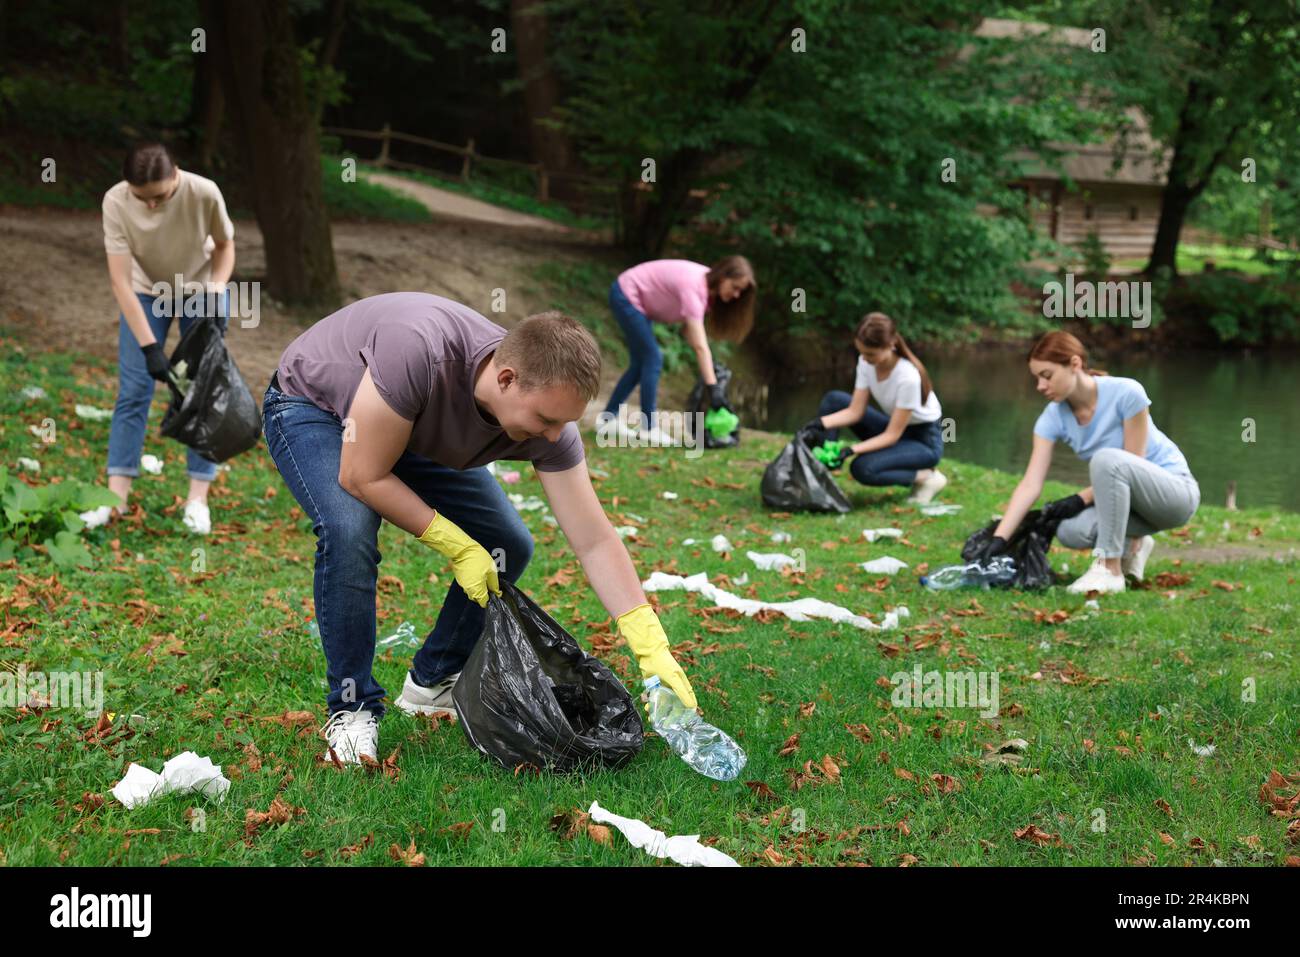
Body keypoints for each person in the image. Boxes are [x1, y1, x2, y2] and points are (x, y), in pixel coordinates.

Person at [263, 292, 698, 763]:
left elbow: (593, 539)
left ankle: (431, 682)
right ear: (506, 379)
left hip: (408, 427)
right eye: (546, 420)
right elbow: (361, 474)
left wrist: (649, 644)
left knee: (507, 542)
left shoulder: (548, 424)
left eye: (565, 423)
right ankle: (351, 708)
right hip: (317, 409)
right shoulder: (419, 351)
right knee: (349, 530)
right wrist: (454, 544)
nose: (555, 437)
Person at [972, 331, 1199, 595]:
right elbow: (1030, 484)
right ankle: (1131, 546)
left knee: (1107, 459)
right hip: (1130, 505)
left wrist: (1079, 498)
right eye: (1036, 378)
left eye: (1047, 375)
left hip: (1174, 495)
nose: (1040, 386)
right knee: (1070, 530)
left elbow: (1131, 461)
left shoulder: (1127, 392)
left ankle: (1109, 568)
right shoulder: (1052, 418)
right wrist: (1001, 537)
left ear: (1075, 364)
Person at [88, 142, 235, 535]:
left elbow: (224, 246)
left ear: (176, 176)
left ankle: (197, 500)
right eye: (142, 198)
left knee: (201, 391)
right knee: (134, 389)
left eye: (159, 197)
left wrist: (217, 291)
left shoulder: (204, 192)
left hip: (199, 290)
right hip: (144, 292)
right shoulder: (115, 202)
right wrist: (151, 348)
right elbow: (119, 280)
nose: (150, 206)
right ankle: (114, 500)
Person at [801, 312, 948, 503]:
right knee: (834, 400)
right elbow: (855, 411)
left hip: (922, 442)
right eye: (861, 352)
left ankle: (927, 477)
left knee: (862, 468)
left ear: (891, 345)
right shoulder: (866, 362)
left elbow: (891, 436)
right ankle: (823, 468)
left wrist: (851, 450)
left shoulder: (908, 378)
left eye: (871, 354)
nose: (865, 359)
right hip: (896, 428)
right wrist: (817, 425)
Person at [601, 256, 755, 434]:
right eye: (735, 287)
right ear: (722, 278)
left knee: (640, 364)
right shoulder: (694, 289)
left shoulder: (706, 290)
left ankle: (607, 420)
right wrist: (713, 387)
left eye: (740, 292)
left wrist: (710, 372)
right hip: (627, 294)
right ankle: (648, 428)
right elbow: (700, 347)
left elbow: (690, 333)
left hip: (637, 301)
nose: (736, 295)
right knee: (653, 358)